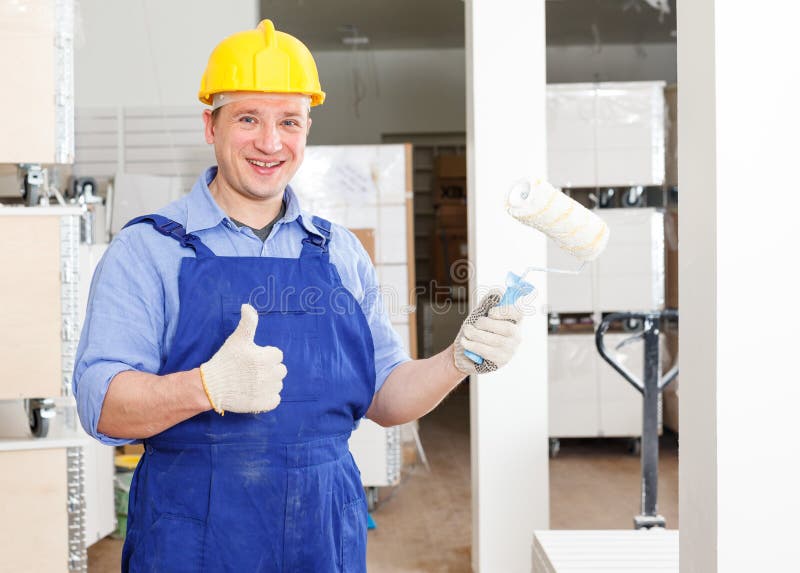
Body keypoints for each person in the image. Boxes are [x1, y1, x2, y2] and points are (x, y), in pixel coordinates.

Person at [74, 19, 524, 572]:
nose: (270, 142)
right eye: (247, 119)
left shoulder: (340, 253)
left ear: (306, 129)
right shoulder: (149, 250)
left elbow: (386, 396)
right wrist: (205, 386)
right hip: (192, 543)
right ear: (209, 125)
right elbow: (102, 406)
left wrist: (457, 360)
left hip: (321, 539)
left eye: (289, 121)